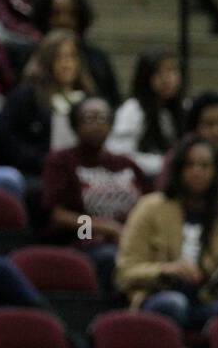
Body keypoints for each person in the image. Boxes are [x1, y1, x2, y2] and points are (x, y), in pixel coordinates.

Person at [115, 135, 218, 327]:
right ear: (177, 169)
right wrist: (166, 270)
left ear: (216, 171)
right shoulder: (150, 207)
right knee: (175, 303)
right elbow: (125, 273)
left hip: (208, 300)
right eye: (189, 165)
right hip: (157, 296)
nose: (197, 172)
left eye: (204, 166)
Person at [42, 96, 148, 292]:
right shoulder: (61, 161)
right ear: (75, 124)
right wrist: (106, 228)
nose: (97, 125)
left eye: (103, 118)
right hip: (83, 241)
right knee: (110, 255)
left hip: (131, 241)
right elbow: (58, 216)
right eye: (89, 118)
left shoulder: (126, 164)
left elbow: (148, 206)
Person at [0, 30, 95, 179]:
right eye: (59, 57)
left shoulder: (89, 99)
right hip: (35, 172)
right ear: (47, 61)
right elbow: (6, 140)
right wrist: (46, 163)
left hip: (83, 173)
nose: (66, 64)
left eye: (72, 57)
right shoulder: (26, 96)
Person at [27, 0, 120, 105]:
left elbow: (113, 102)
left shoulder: (98, 59)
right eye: (55, 13)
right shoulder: (28, 55)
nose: (63, 20)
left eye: (71, 14)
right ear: (44, 16)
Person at [107, 49, 184, 179]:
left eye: (172, 71)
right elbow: (119, 155)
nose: (167, 79)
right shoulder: (132, 110)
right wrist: (165, 164)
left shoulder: (179, 109)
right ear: (146, 76)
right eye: (159, 73)